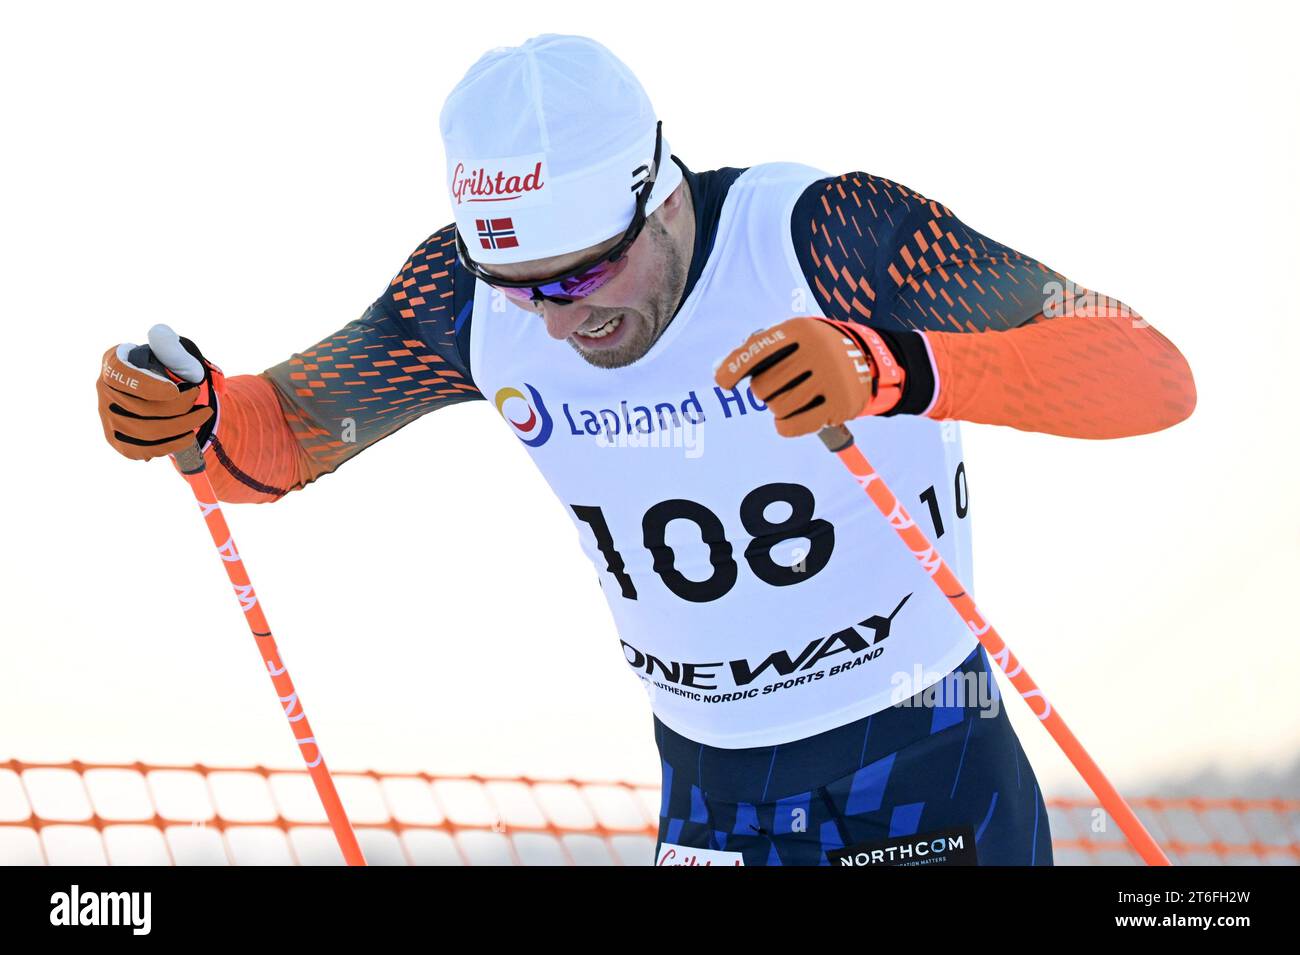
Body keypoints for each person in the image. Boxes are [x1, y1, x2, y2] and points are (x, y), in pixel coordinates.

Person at [97, 34, 1196, 866]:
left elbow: (1146, 367)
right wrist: (185, 415)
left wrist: (899, 366)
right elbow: (275, 439)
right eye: (520, 289)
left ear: (658, 192)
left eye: (583, 273)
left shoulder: (828, 236)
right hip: (709, 788)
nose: (563, 320)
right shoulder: (459, 303)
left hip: (921, 747)